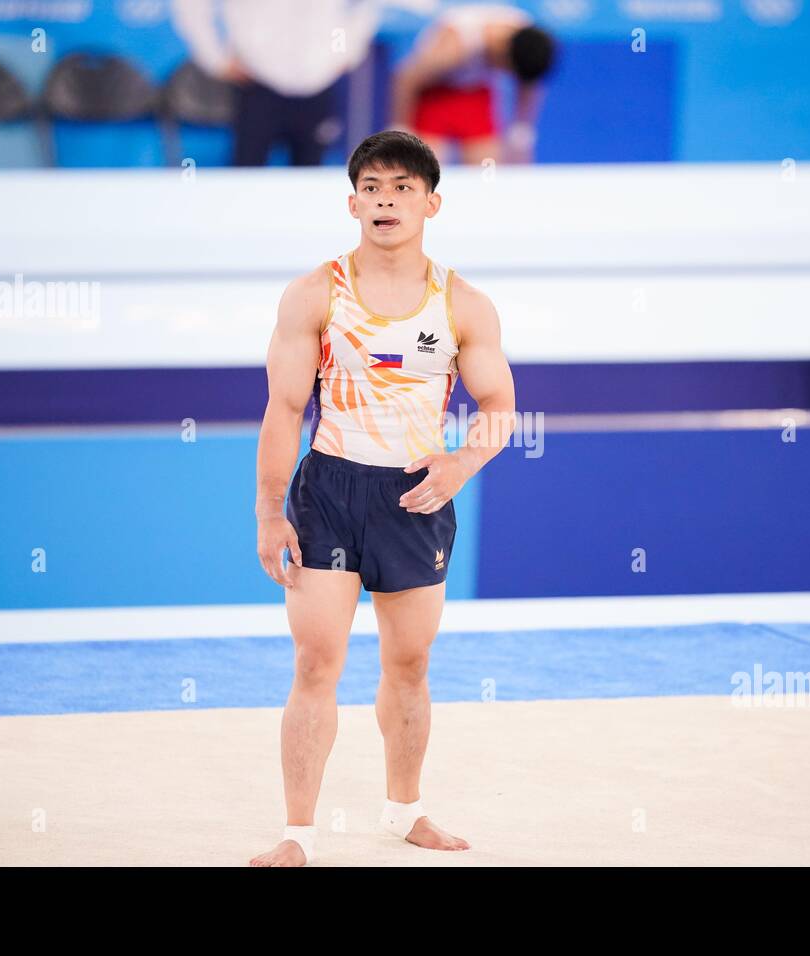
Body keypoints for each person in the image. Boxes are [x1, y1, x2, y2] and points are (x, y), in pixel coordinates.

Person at [250, 130, 517, 866]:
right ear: (352, 203)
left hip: (416, 495)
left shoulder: (463, 303)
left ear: (432, 203)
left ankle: (405, 811)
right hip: (331, 488)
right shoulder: (315, 294)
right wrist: (270, 510)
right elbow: (283, 409)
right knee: (316, 664)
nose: (385, 200)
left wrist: (461, 465)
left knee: (409, 665)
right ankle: (297, 835)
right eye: (372, 188)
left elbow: (499, 407)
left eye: (402, 188)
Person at [171, 0, 383, 166]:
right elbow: (192, 6)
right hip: (258, 81)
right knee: (245, 180)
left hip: (318, 82)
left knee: (309, 185)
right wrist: (216, 59)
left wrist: (345, 54)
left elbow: (362, 8)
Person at [390, 3, 556, 166]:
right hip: (434, 93)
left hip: (476, 93)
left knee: (487, 171)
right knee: (428, 170)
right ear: (504, 56)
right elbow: (407, 78)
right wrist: (401, 127)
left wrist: (521, 135)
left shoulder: (527, 37)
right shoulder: (454, 47)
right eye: (509, 71)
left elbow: (529, 82)